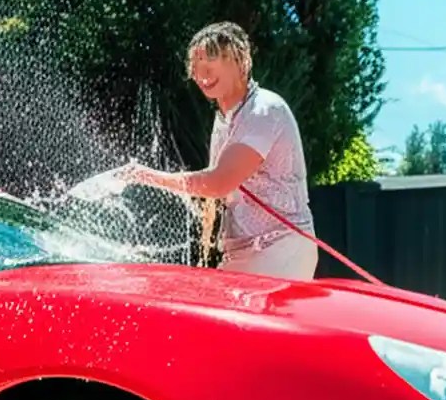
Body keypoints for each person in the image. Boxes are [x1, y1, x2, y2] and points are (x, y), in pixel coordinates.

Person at [117, 21, 318, 280]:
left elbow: (217, 183)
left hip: (279, 247)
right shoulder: (224, 119)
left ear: (240, 61)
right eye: (196, 68)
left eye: (210, 65)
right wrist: (206, 256)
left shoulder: (264, 110)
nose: (202, 76)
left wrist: (144, 175)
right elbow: (215, 198)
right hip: (243, 252)